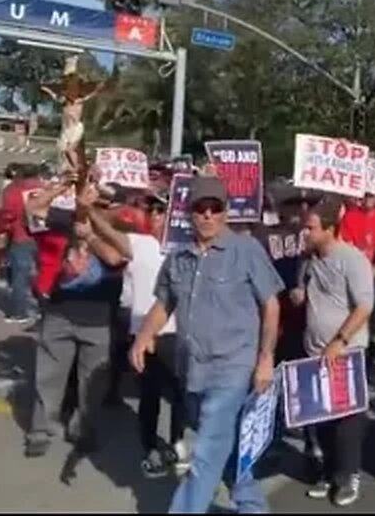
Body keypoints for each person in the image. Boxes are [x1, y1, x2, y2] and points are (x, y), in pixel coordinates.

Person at [130, 176, 284, 514]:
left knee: (206, 450)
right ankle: (253, 506)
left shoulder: (246, 250)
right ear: (189, 213)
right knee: (223, 446)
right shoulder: (178, 257)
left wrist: (266, 359)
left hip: (234, 367)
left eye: (216, 208)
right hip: (193, 371)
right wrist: (144, 336)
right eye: (201, 208)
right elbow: (163, 303)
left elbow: (271, 304)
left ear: (226, 213)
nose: (208, 215)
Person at [24, 182, 130, 458]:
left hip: (98, 318)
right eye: (95, 201)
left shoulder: (123, 232)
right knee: (49, 375)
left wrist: (90, 230)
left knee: (92, 383)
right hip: (59, 311)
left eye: (104, 204)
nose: (98, 207)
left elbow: (116, 257)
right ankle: (40, 429)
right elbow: (33, 208)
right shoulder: (69, 220)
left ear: (117, 208)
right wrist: (63, 185)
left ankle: (83, 429)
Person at [297, 199, 375, 506]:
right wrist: (300, 292)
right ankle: (329, 473)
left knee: (347, 422)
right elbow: (307, 289)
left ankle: (348, 476)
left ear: (330, 228)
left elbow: (365, 306)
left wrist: (339, 341)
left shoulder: (352, 260)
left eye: (311, 227)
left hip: (345, 352)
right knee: (322, 419)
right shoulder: (310, 258)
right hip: (314, 352)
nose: (305, 232)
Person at [118, 201, 187, 479]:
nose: (157, 216)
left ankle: (177, 442)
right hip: (144, 334)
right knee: (149, 394)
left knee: (181, 393)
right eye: (153, 211)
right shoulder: (138, 243)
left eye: (163, 211)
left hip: (177, 333)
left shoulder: (185, 246)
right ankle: (149, 445)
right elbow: (110, 241)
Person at [0, 164, 41, 324]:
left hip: (20, 236)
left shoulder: (12, 190)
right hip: (44, 237)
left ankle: (19, 312)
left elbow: (7, 215)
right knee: (46, 274)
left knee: (20, 277)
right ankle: (46, 310)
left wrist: (2, 232)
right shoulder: (47, 188)